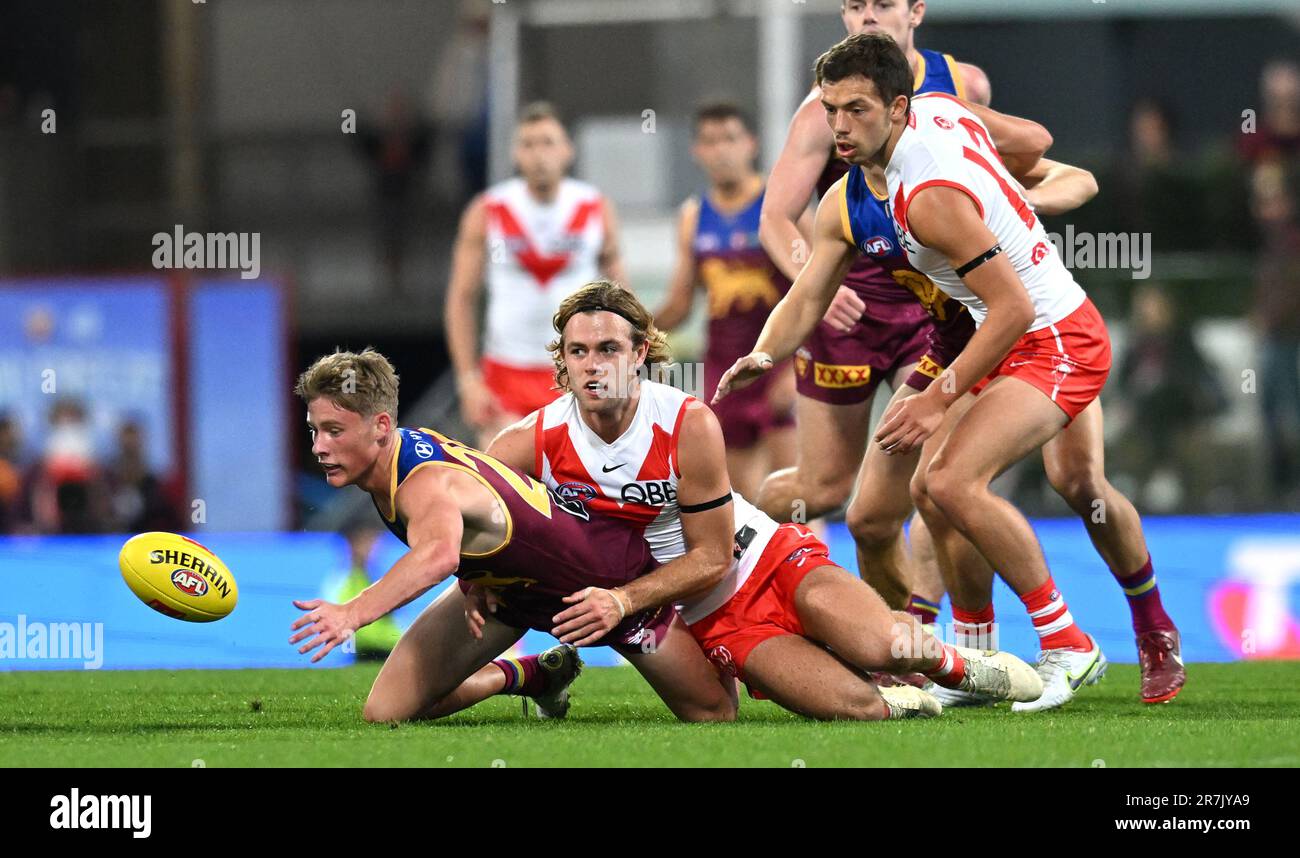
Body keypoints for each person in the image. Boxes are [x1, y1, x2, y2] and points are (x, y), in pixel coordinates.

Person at [718, 33, 1186, 709]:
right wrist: (764, 351)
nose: (841, 126)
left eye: (857, 110)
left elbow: (1015, 305)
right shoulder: (863, 185)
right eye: (831, 110)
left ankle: (1073, 643)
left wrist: (937, 399)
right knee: (912, 498)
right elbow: (807, 295)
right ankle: (974, 650)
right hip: (980, 332)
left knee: (1006, 481)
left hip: (1054, 336)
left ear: (899, 106)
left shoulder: (929, 194)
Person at [482, 281, 1042, 721]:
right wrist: (473, 579)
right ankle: (894, 690)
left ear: (640, 353)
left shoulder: (684, 420)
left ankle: (956, 663)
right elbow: (478, 510)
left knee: (890, 649)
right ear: (563, 361)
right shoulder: (528, 441)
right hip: (708, 613)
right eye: (578, 351)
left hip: (765, 560)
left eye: (608, 349)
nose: (593, 364)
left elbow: (712, 557)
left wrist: (622, 603)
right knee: (859, 708)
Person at [288, 348, 735, 724]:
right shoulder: (398, 455)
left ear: (382, 426)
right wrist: (475, 576)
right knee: (384, 713)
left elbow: (439, 554)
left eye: (334, 431)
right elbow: (480, 518)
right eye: (315, 431)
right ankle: (529, 676)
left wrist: (352, 612)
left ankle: (734, 629)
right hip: (510, 594)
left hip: (603, 587)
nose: (319, 447)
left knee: (714, 714)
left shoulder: (421, 482)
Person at [756, 0, 990, 620]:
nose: (866, 16)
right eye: (853, 5)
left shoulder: (965, 85)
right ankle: (721, 535)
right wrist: (819, 282)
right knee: (823, 490)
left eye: (880, 3)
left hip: (934, 317)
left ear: (916, 10)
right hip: (848, 319)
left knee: (939, 481)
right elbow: (776, 219)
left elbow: (1009, 162)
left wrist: (1046, 192)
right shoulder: (819, 110)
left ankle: (922, 631)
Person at [445, 102, 626, 449]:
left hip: (576, 371)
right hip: (506, 371)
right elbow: (461, 298)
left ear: (567, 150)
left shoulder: (595, 208)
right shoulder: (488, 211)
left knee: (580, 488)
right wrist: (468, 380)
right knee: (504, 492)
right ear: (515, 153)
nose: (538, 154)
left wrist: (627, 365)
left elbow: (621, 297)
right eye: (528, 145)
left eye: (547, 142)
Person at [653, 102, 797, 499]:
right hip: (725, 372)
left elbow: (817, 289)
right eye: (710, 142)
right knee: (740, 503)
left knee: (795, 499)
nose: (721, 151)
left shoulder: (781, 205)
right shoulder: (692, 216)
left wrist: (799, 369)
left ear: (751, 144)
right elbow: (680, 304)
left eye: (730, 139)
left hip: (778, 362)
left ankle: (808, 559)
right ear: (696, 151)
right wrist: (630, 331)